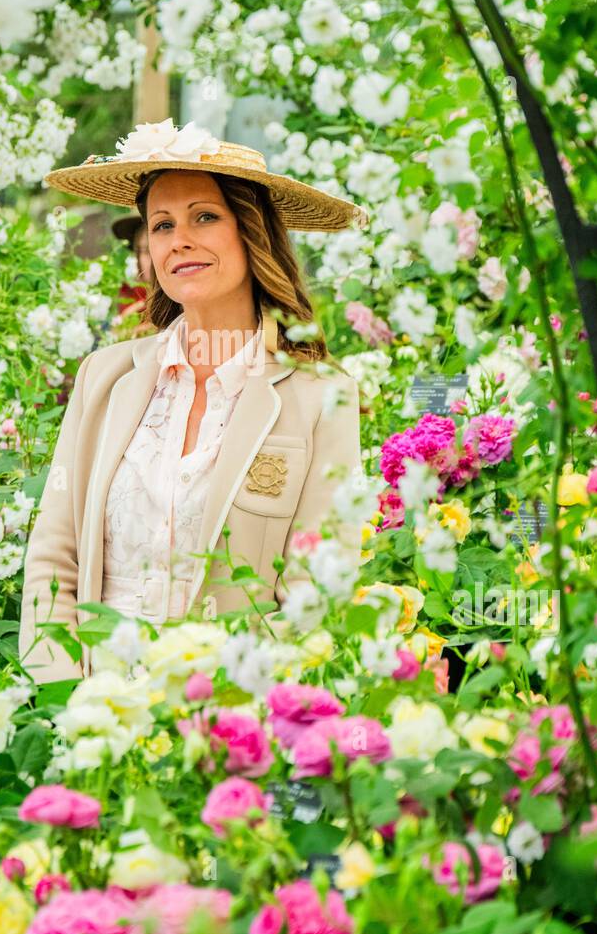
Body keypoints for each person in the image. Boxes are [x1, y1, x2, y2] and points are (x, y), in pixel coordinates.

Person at [18, 118, 369, 684]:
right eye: (162, 224)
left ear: (252, 233)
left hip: (231, 722)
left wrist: (217, 712)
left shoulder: (321, 398)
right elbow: (53, 565)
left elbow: (317, 592)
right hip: (92, 719)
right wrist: (65, 704)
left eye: (205, 216)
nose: (179, 239)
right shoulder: (103, 379)